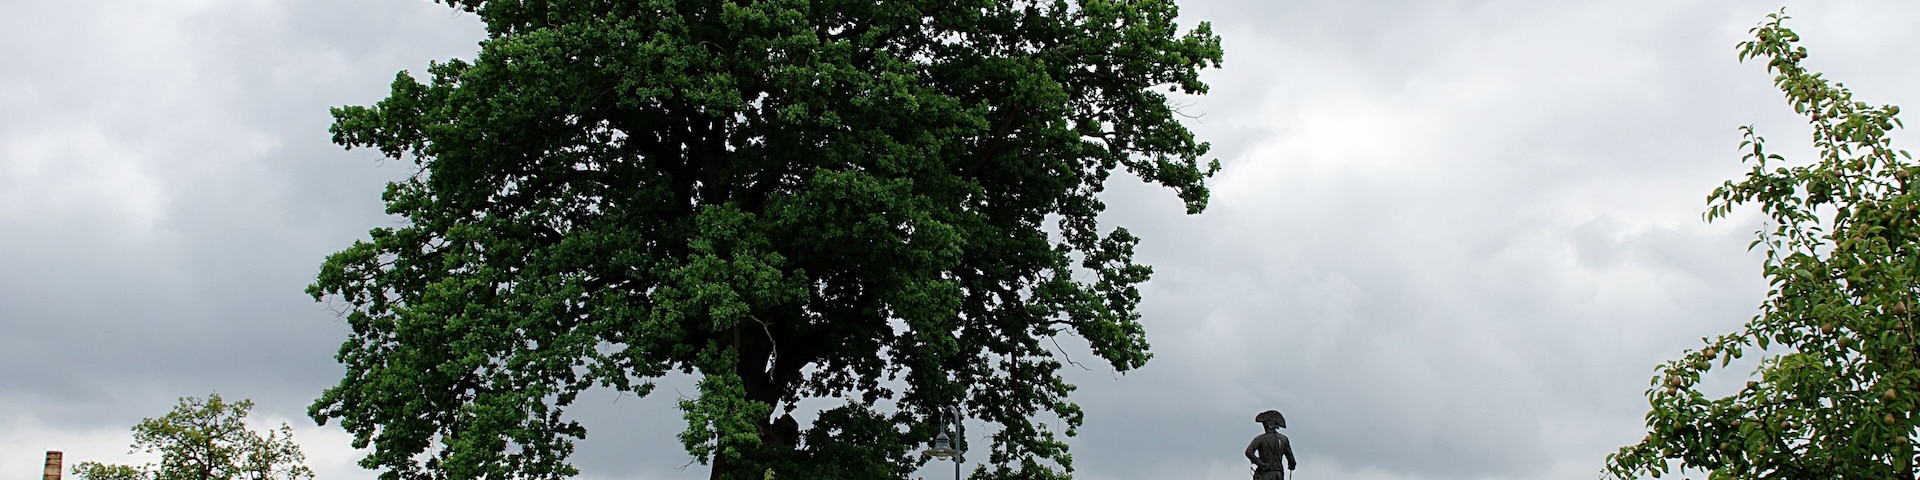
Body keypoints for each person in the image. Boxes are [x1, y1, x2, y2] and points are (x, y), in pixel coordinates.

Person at [1245, 410, 1296, 480]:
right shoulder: (1284, 439)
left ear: (1267, 426)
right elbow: (1292, 461)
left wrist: (1260, 464)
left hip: (1265, 474)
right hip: (1278, 474)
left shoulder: (1260, 439)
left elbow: (1248, 452)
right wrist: (1291, 465)